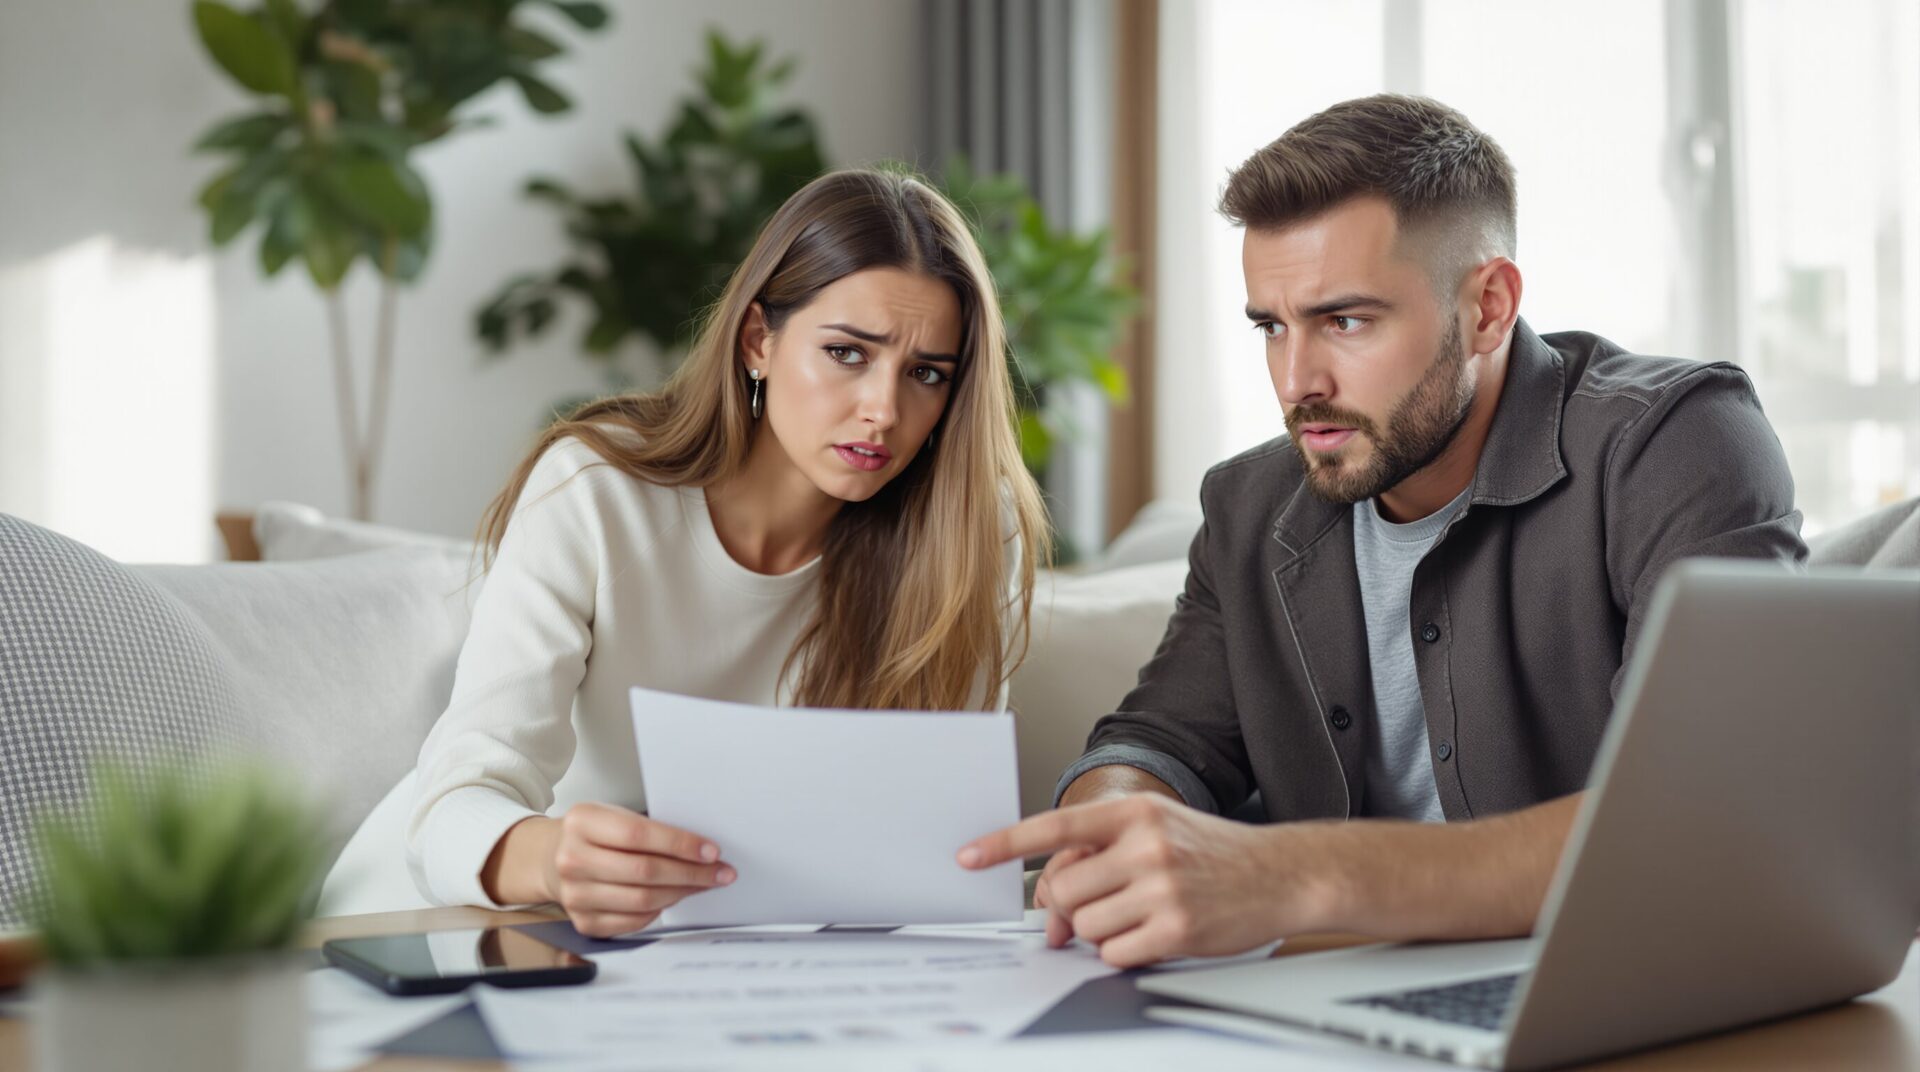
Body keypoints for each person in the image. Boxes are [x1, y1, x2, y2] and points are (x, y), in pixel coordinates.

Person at [958, 94, 1806, 967]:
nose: (1297, 381)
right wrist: (1112, 825)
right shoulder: (1248, 507)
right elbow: (1163, 741)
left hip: (1605, 983)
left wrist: (1293, 875)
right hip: (1327, 997)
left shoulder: (1674, 446)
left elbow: (1710, 809)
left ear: (1488, 307)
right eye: (1272, 326)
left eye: (1346, 320)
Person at [409, 167, 1047, 937]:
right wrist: (550, 859)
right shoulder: (598, 492)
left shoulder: (970, 533)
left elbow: (933, 848)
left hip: (756, 952)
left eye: (926, 373)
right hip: (487, 917)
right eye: (847, 353)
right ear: (758, 342)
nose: (883, 410)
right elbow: (455, 802)